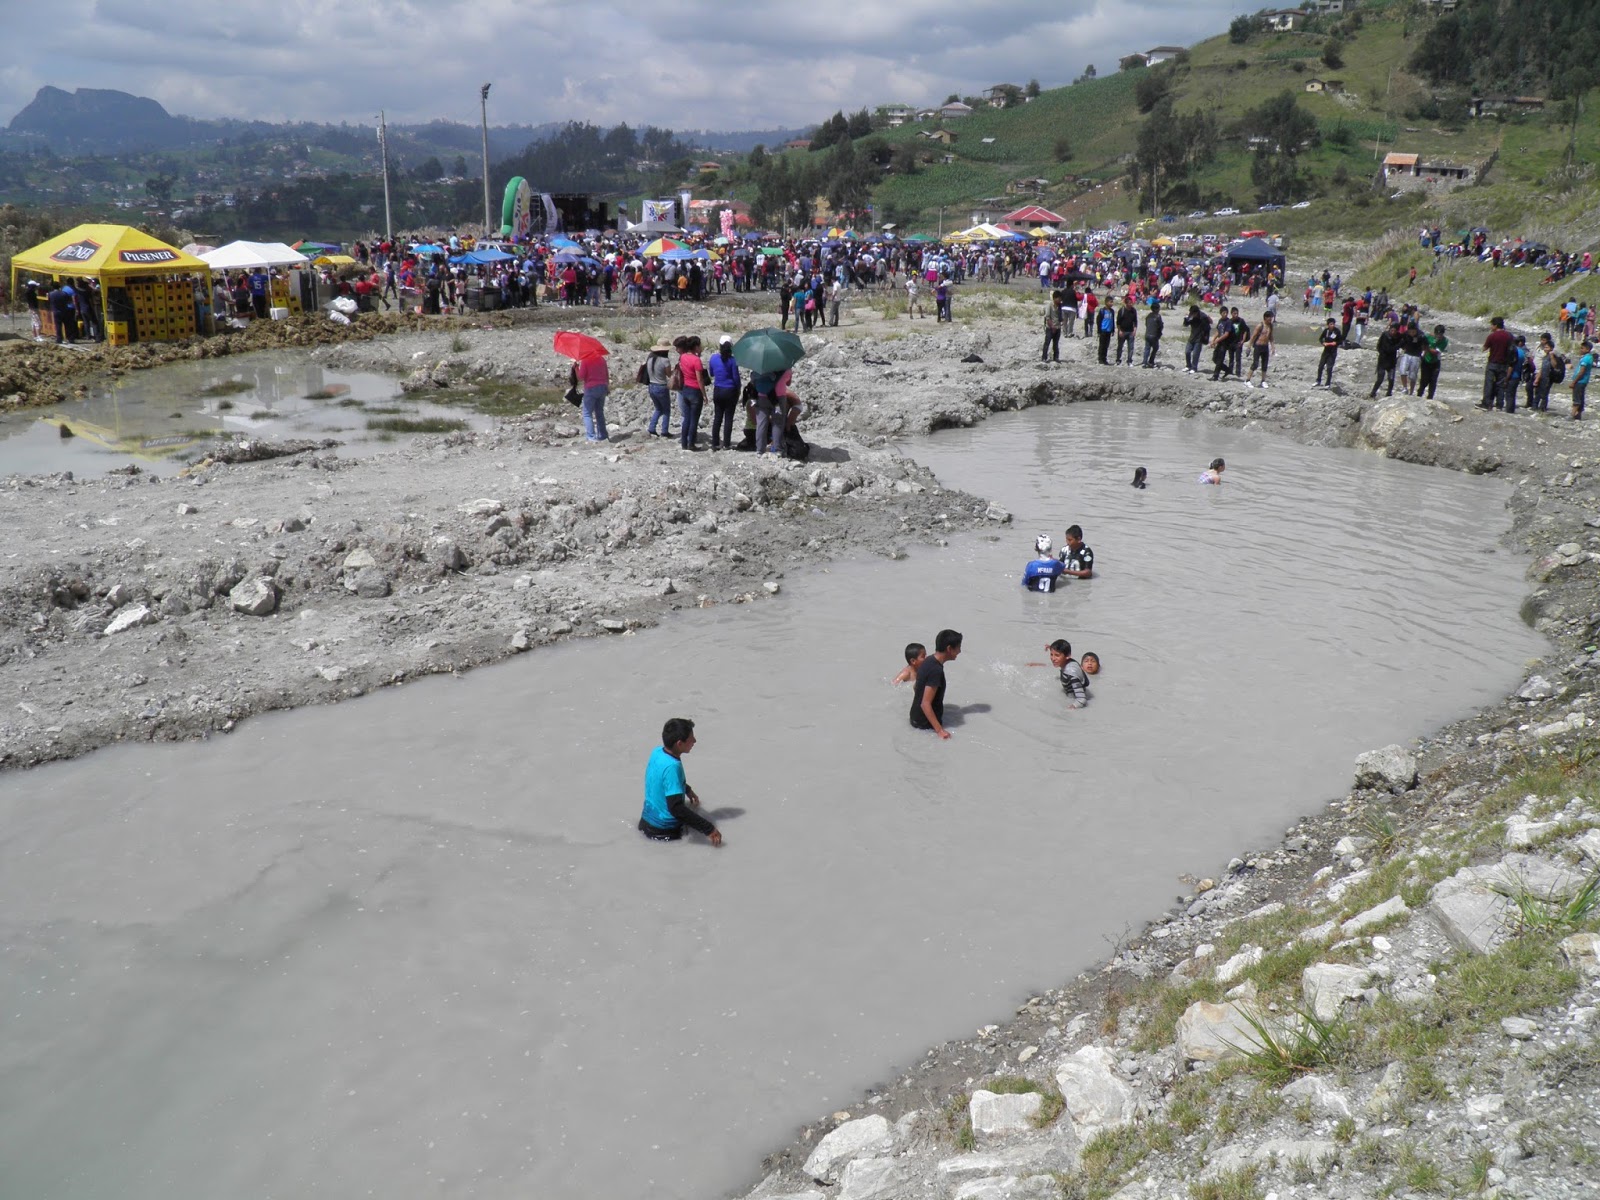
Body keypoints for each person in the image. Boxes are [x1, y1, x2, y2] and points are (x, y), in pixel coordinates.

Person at [638, 717, 722, 846]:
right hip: (665, 832)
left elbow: (659, 780)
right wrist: (709, 829)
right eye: (691, 738)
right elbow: (676, 809)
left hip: (645, 824)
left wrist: (686, 789)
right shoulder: (673, 766)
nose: (695, 741)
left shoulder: (657, 752)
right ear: (679, 743)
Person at [910, 629, 962, 739]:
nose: (960, 651)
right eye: (958, 647)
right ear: (949, 649)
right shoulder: (936, 670)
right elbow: (925, 704)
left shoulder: (928, 660)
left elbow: (916, 687)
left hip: (915, 718)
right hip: (925, 726)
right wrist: (940, 731)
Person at [1027, 639, 1089, 708]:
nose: (1053, 658)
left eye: (1057, 655)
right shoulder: (1067, 661)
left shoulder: (1072, 674)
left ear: (1067, 656)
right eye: (1051, 654)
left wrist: (1069, 709)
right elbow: (1059, 658)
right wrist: (1051, 648)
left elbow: (1082, 699)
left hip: (1072, 698)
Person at [707, 334, 742, 451]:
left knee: (717, 417)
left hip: (718, 390)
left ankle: (715, 443)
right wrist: (739, 389)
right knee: (728, 418)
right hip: (730, 391)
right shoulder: (732, 360)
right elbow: (736, 378)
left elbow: (711, 373)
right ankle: (726, 444)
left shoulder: (713, 358)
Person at [573, 352, 610, 442]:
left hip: (591, 388)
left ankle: (591, 437)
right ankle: (603, 435)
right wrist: (607, 387)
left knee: (587, 413)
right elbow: (606, 374)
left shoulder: (586, 360)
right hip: (602, 387)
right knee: (599, 412)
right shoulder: (602, 359)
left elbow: (581, 377)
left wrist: (576, 367)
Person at [677, 335, 705, 450]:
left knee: (687, 418)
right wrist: (704, 394)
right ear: (696, 346)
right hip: (695, 390)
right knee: (694, 419)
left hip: (685, 389)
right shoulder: (697, 360)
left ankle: (684, 443)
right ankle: (691, 443)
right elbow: (700, 379)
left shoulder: (683, 357)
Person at [1482, 316, 1515, 411]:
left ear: (1495, 325)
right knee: (1501, 384)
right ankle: (1499, 405)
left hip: (1493, 362)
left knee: (1489, 383)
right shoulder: (1509, 336)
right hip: (1504, 364)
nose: (1490, 327)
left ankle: (1486, 403)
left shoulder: (1492, 336)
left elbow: (1484, 348)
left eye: (1491, 325)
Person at [645, 340, 673, 437]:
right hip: (661, 386)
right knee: (666, 410)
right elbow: (669, 374)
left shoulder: (650, 359)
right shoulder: (665, 360)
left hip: (651, 386)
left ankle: (652, 428)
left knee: (658, 409)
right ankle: (664, 431)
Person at [1243, 310, 1274, 388]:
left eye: (1271, 317)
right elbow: (1253, 336)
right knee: (1255, 364)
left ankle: (1263, 381)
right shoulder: (1260, 326)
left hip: (1265, 347)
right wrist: (1249, 346)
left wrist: (1273, 347)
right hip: (1258, 346)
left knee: (1265, 364)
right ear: (1265, 318)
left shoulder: (1270, 326)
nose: (1271, 319)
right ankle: (1247, 380)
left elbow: (1270, 337)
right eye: (1269, 317)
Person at [1370, 319, 1399, 398]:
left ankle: (1389, 393)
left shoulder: (1398, 337)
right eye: (1391, 330)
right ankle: (1373, 393)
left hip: (1392, 361)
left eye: (1394, 331)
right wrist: (1381, 352)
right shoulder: (1385, 335)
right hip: (1383, 360)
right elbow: (1379, 345)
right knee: (1380, 378)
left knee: (1391, 379)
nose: (1392, 332)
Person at [1182, 304, 1211, 374]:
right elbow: (1185, 324)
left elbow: (1208, 327)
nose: (1192, 314)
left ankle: (1194, 368)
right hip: (1192, 337)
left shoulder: (1203, 317)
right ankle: (1188, 366)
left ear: (1196, 312)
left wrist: (1205, 337)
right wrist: (1186, 318)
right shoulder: (1190, 316)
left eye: (1193, 313)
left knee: (1195, 354)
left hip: (1199, 338)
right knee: (1187, 351)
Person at [1314, 317, 1341, 388]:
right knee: (1320, 366)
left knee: (1329, 368)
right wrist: (1323, 343)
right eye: (1331, 324)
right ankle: (1318, 381)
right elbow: (1320, 339)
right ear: (1328, 325)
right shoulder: (1326, 331)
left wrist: (1334, 343)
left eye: (1333, 324)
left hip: (1332, 352)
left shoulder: (1337, 331)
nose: (1332, 325)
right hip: (1326, 351)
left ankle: (1327, 384)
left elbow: (1339, 341)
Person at [1573, 339, 1594, 420]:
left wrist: (1574, 381)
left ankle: (1572, 414)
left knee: (1576, 398)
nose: (1580, 350)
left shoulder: (1585, 359)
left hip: (1580, 381)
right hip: (1584, 381)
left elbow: (1581, 372)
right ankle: (1578, 415)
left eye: (1582, 348)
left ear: (1587, 349)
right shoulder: (1590, 357)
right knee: (1581, 397)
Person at [1114, 297, 1138, 365]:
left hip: (1130, 331)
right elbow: (1118, 322)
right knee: (1120, 346)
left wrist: (1135, 330)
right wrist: (1120, 331)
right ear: (1126, 303)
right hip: (1122, 331)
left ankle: (1129, 361)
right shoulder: (1122, 310)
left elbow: (1135, 321)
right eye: (1129, 303)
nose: (1131, 304)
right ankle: (1118, 360)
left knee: (1131, 347)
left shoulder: (1133, 310)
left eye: (1131, 303)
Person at [1042, 289, 1063, 362]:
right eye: (1059, 298)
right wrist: (1052, 326)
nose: (1060, 300)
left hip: (1058, 327)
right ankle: (1044, 357)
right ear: (1054, 298)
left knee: (1056, 344)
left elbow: (1061, 317)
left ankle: (1056, 357)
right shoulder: (1050, 306)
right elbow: (1047, 317)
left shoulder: (1060, 306)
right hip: (1050, 328)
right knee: (1047, 343)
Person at [1141, 300, 1164, 368]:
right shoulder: (1158, 316)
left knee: (1147, 348)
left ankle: (1144, 362)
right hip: (1154, 335)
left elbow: (1146, 324)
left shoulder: (1148, 316)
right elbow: (1160, 326)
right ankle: (1151, 361)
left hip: (1147, 334)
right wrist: (1159, 334)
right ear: (1156, 309)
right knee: (1155, 348)